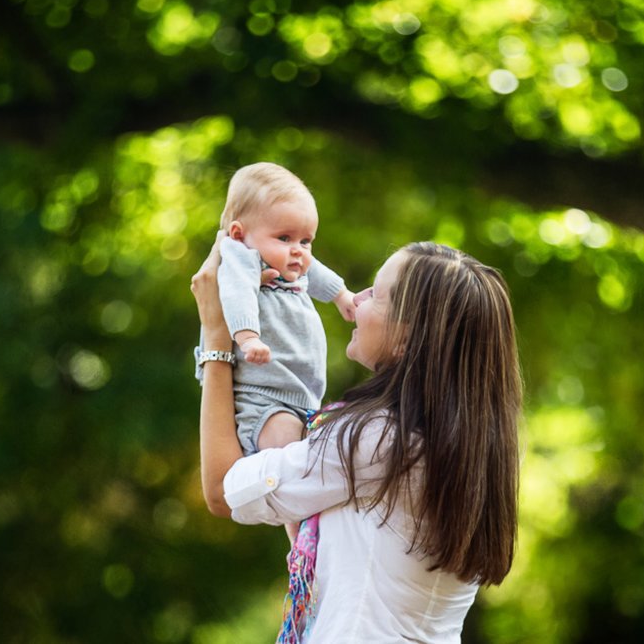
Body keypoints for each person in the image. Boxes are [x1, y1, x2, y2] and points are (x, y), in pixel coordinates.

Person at [192, 238, 522, 643]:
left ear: (407, 338)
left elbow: (223, 490)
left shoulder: (377, 440)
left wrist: (216, 335)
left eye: (376, 294)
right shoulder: (469, 451)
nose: (358, 300)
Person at [194, 162, 355, 456]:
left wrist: (342, 295)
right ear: (239, 234)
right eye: (285, 238)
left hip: (302, 398)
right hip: (263, 401)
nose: (299, 250)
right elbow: (236, 293)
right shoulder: (240, 258)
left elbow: (315, 271)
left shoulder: (290, 262)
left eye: (306, 240)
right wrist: (248, 337)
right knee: (289, 454)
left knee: (309, 453)